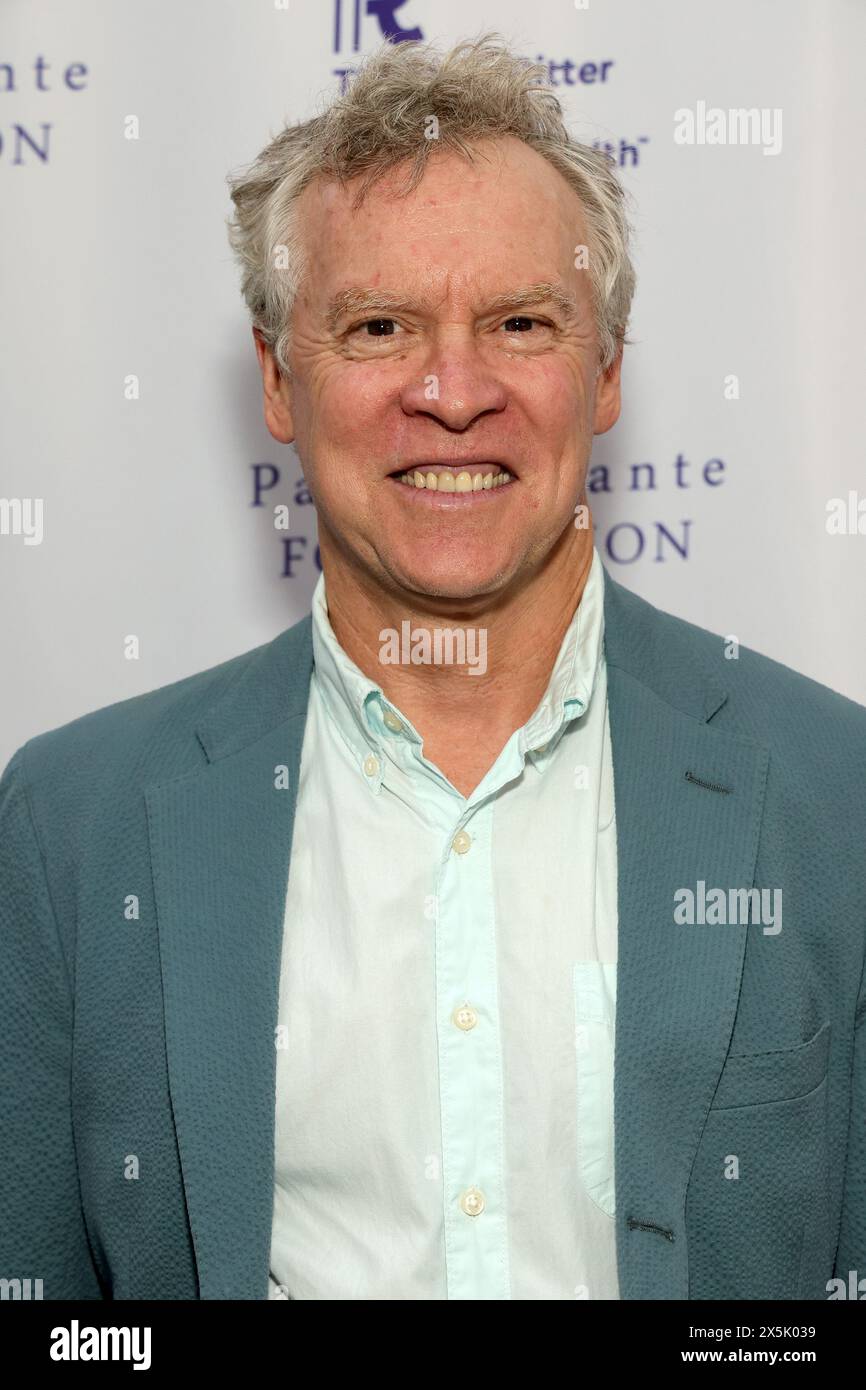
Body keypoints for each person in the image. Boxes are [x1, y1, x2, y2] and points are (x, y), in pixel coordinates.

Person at [1, 35, 864, 1302]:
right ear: (276, 377)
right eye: (377, 325)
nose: (452, 392)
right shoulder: (72, 828)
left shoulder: (833, 794)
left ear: (605, 369)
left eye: (520, 322)